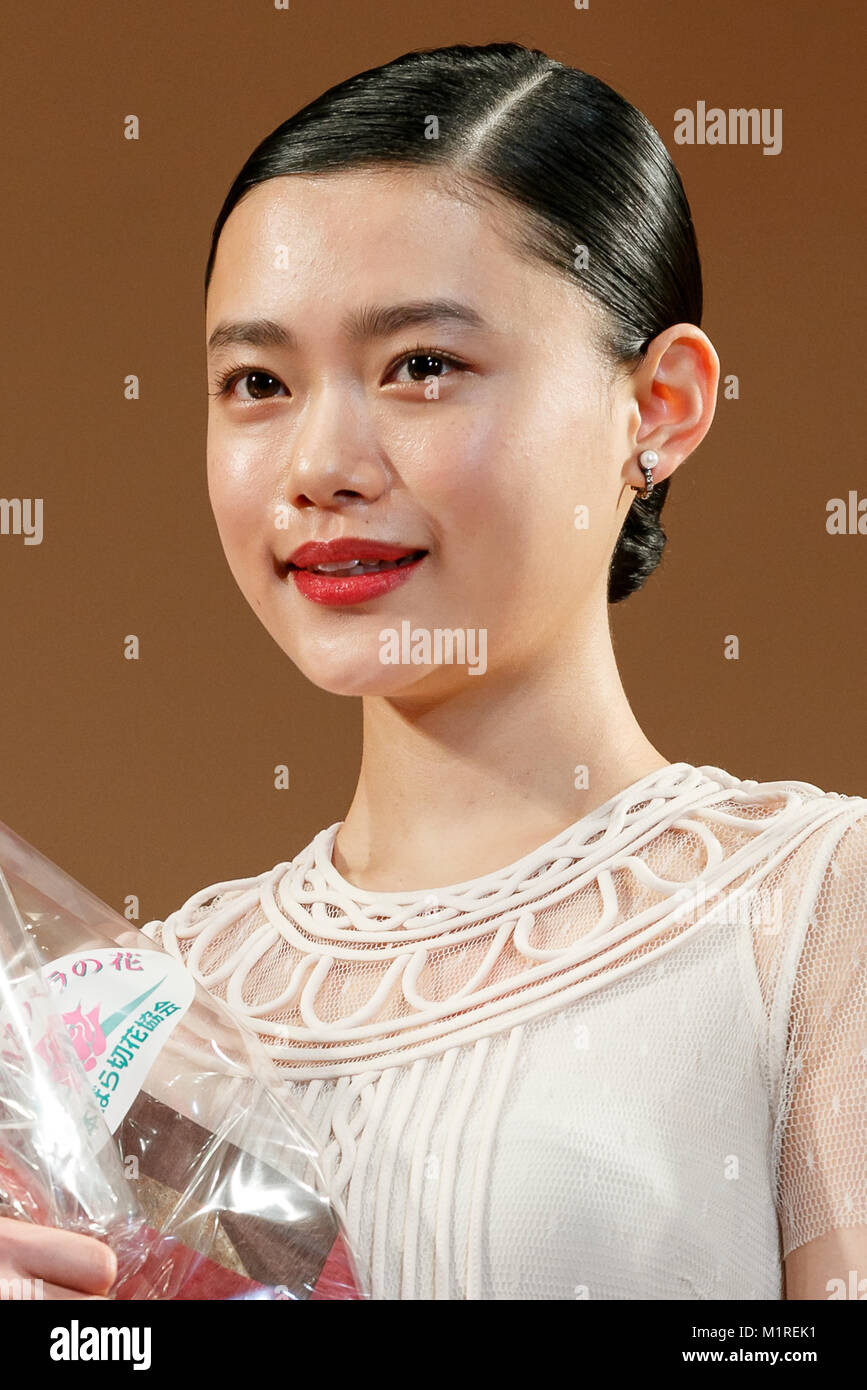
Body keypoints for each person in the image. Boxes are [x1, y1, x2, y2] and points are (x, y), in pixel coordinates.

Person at [2, 40, 864, 1301]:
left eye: (423, 365)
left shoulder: (813, 914)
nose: (320, 462)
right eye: (257, 382)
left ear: (661, 405)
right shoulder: (146, 1011)